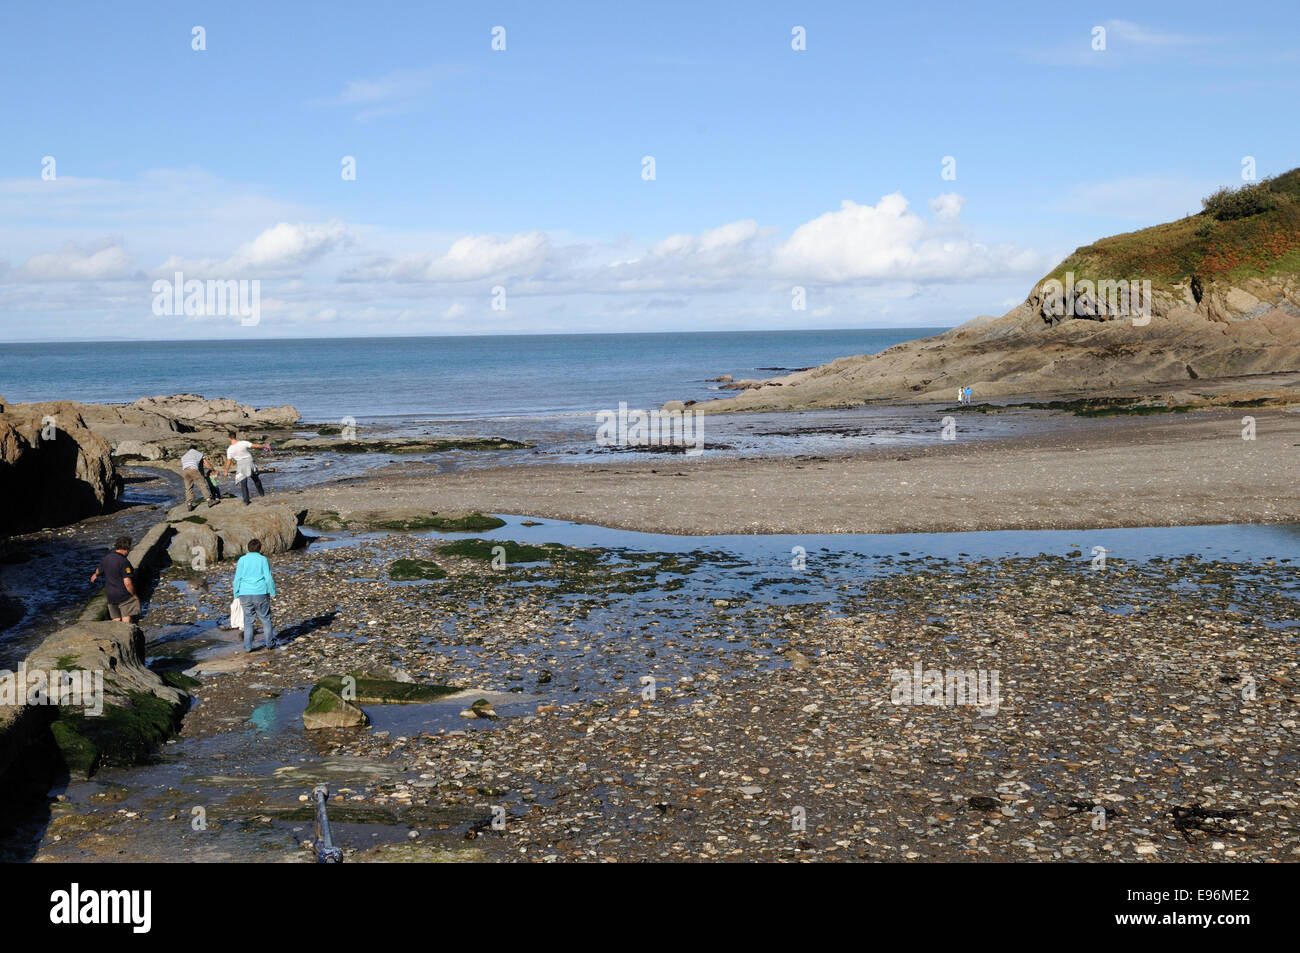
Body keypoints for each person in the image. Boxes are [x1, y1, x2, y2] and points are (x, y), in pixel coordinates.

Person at [233, 538, 277, 652]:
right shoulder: (263, 559)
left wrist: (236, 593)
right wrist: (272, 592)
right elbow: (268, 577)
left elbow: (237, 578)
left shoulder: (242, 560)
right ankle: (269, 644)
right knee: (265, 619)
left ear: (248, 548)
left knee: (248, 621)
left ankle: (248, 647)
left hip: (245, 593)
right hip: (261, 592)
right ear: (259, 548)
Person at [91, 535, 139, 623]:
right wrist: (133, 594)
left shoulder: (107, 558)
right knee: (126, 616)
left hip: (111, 595)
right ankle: (126, 633)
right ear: (126, 548)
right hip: (124, 595)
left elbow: (99, 569)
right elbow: (127, 582)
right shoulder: (124, 562)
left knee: (116, 619)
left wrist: (95, 575)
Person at [223, 433, 272, 505]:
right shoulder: (243, 443)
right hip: (249, 461)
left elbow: (228, 461)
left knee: (243, 482)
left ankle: (246, 501)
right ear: (235, 437)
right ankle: (262, 494)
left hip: (241, 464)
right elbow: (255, 446)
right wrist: (264, 446)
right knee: (255, 478)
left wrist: (226, 471)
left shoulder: (230, 449)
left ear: (229, 438)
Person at [180, 445, 220, 510]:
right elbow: (206, 464)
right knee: (202, 485)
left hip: (185, 471)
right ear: (195, 449)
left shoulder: (184, 456)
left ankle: (189, 504)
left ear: (189, 449)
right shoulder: (198, 453)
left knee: (188, 488)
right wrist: (213, 470)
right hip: (193, 469)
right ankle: (209, 500)